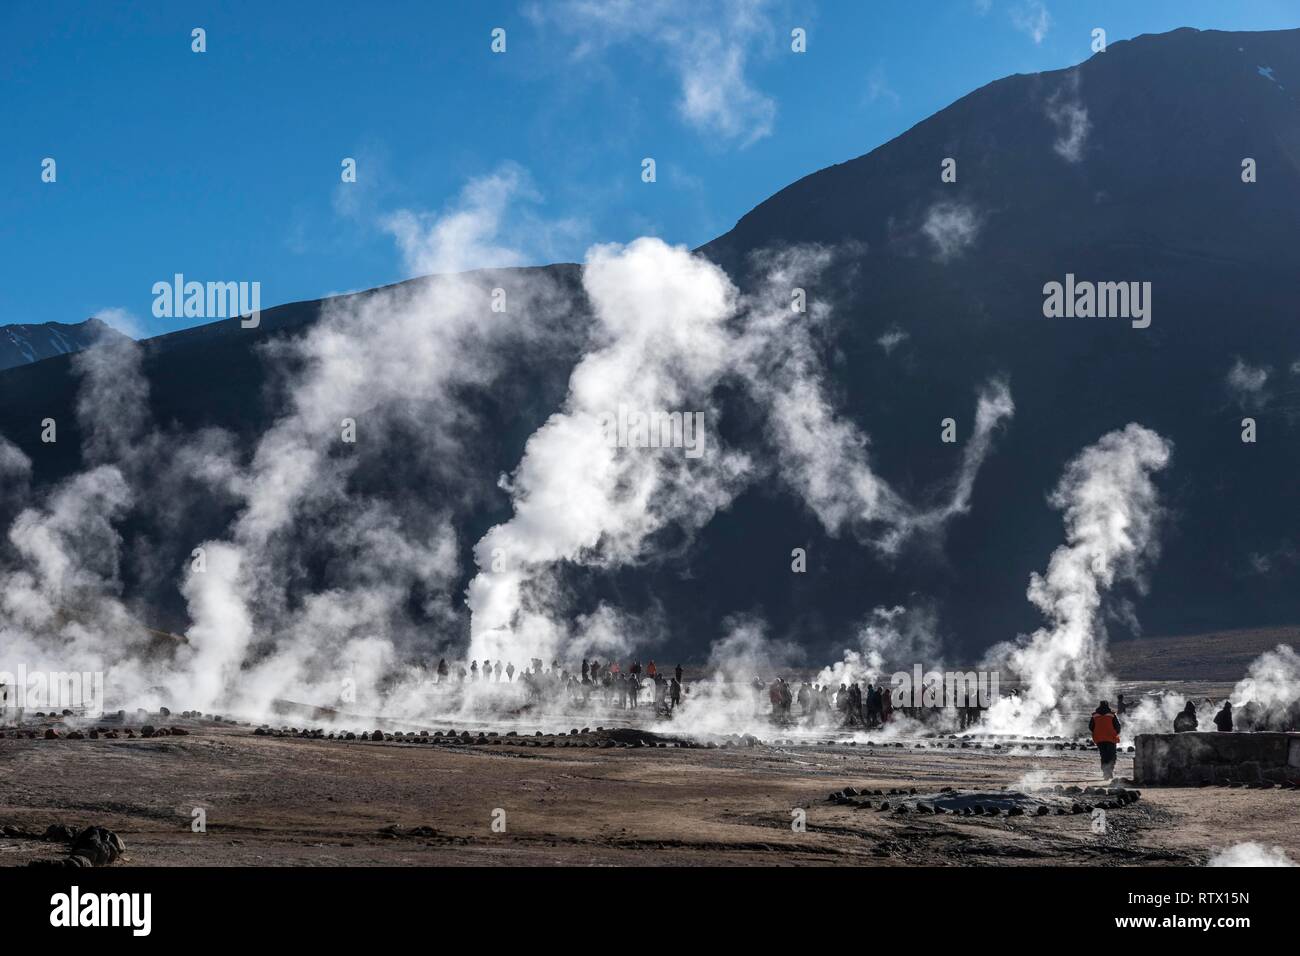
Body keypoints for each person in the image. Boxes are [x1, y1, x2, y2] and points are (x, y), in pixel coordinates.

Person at [1089, 700, 1121, 781]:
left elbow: (1091, 727)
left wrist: (1097, 731)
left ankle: (1105, 773)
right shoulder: (1112, 715)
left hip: (1099, 738)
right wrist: (1115, 732)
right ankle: (1109, 772)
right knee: (1112, 755)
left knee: (1104, 755)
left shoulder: (1095, 715)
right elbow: (1118, 727)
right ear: (1108, 705)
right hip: (1111, 737)